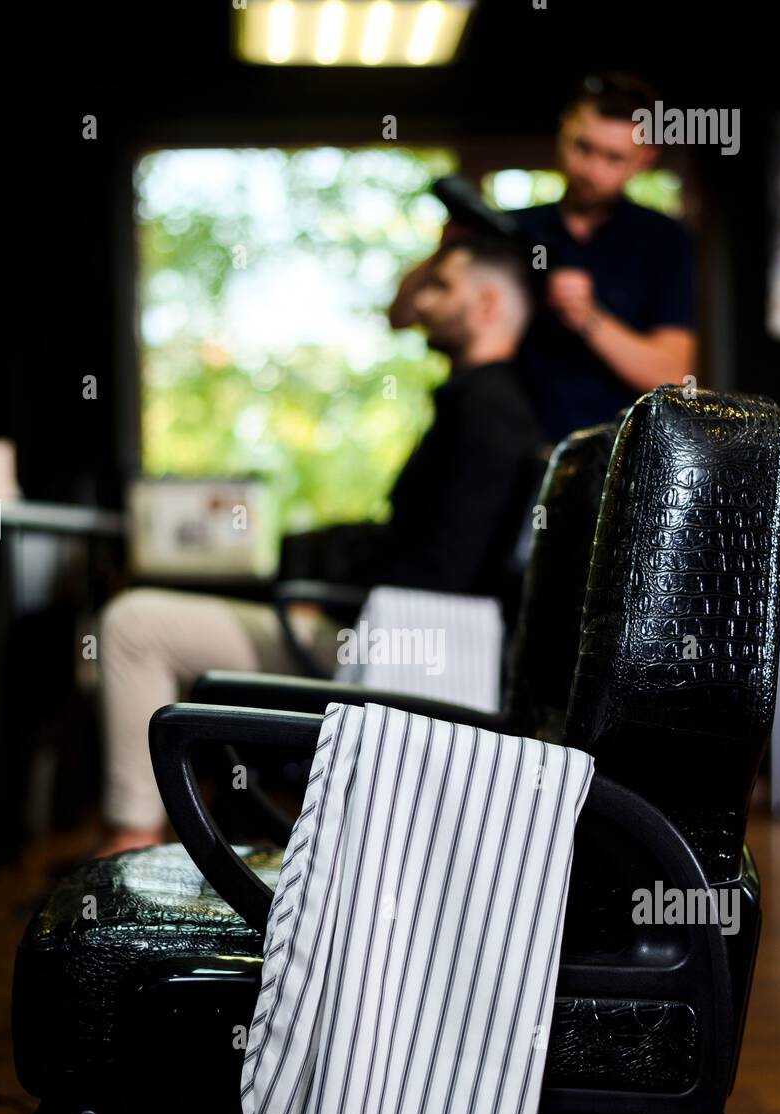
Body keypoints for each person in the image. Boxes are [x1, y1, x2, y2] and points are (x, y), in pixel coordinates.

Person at [95, 235, 545, 856]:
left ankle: (130, 840)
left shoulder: (486, 415)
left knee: (132, 623)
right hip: (377, 627)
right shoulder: (488, 406)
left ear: (489, 304)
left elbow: (441, 574)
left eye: (442, 287)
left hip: (391, 651)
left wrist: (325, 600)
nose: (422, 303)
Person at [390, 70, 698, 444]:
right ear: (563, 131)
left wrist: (587, 317)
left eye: (613, 158)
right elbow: (402, 315)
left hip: (612, 458)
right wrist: (445, 249)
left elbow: (674, 375)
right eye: (582, 148)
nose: (591, 170)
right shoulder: (513, 231)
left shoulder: (665, 240)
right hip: (510, 447)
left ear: (645, 158)